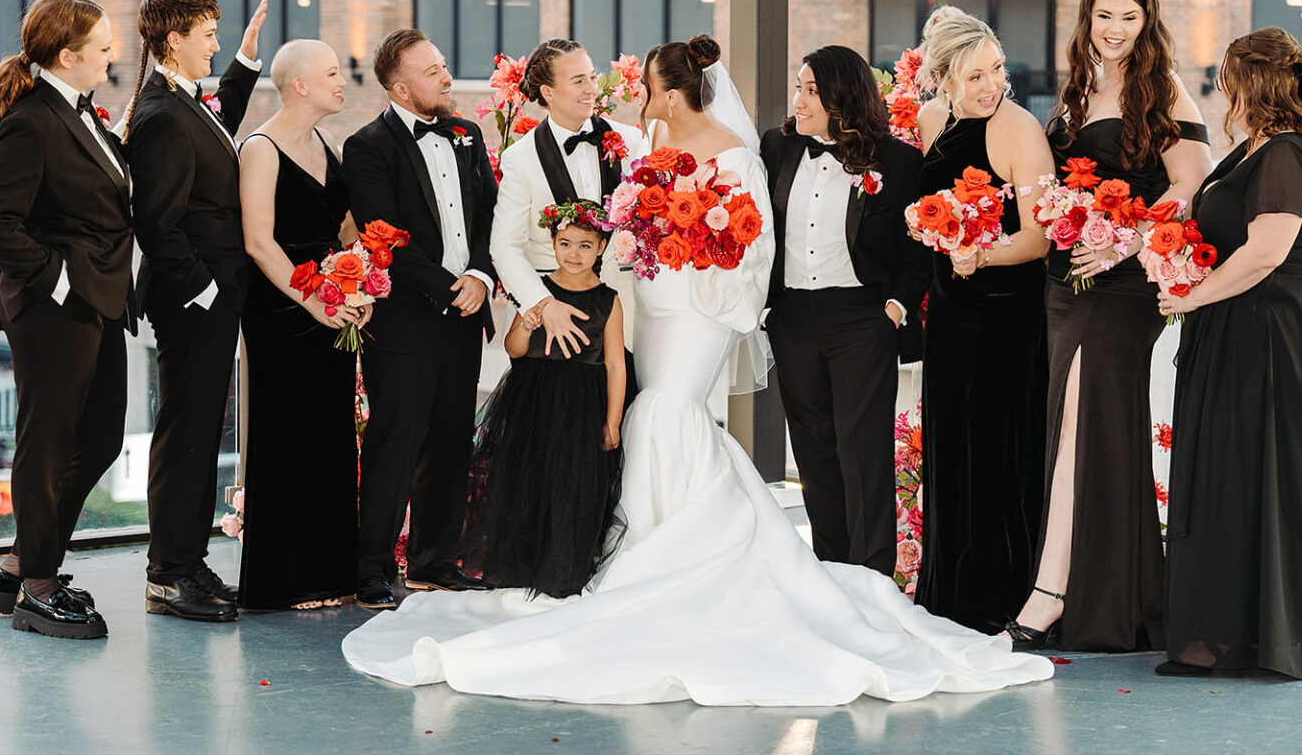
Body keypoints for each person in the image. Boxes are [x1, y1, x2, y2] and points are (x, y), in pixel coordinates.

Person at [340, 35, 1053, 706]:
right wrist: (635, 251)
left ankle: (691, 561)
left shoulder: (738, 152)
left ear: (672, 93)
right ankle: (650, 549)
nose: (627, 96)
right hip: (650, 306)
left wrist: (717, 278)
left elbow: (756, 244)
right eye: (584, 80)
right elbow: (610, 232)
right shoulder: (649, 143)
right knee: (670, 418)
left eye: (645, 88)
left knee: (673, 413)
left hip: (708, 308)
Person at [1155, 29, 1302, 679]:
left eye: (1226, 76)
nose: (1220, 87)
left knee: (1268, 474)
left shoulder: (1284, 154)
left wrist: (1190, 296)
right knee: (1239, 476)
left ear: (1247, 84)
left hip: (1274, 334)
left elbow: (1265, 253)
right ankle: (1239, 633)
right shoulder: (1257, 148)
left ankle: (1270, 638)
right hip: (1246, 328)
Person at [1005, 0, 1212, 652]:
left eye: (1129, 16)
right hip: (1066, 282)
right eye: (1104, 16)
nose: (1115, 29)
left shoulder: (1164, 89)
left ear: (1147, 21)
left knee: (1079, 422)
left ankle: (1050, 593)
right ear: (1087, 19)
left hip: (1123, 286)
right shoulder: (1078, 89)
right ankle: (1114, 596)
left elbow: (1190, 186)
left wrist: (1125, 239)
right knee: (1081, 425)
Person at [0, 0, 135, 639]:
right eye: (103, 48)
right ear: (68, 56)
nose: (112, 57)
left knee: (101, 438)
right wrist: (60, 279)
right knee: (48, 444)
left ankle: (20, 565)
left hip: (99, 299)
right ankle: (37, 588)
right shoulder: (32, 121)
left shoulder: (82, 112)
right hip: (52, 309)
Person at [124, 0, 269, 623]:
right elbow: (157, 225)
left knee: (202, 433)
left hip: (208, 297)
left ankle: (187, 560)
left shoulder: (184, 101)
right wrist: (206, 292)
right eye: (207, 35)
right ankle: (167, 576)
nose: (214, 44)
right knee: (186, 436)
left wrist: (244, 60)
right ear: (173, 39)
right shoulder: (159, 114)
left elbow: (216, 128)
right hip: (192, 301)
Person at [340, 28, 499, 611]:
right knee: (395, 444)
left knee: (453, 441)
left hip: (466, 314)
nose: (447, 77)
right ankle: (373, 569)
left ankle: (435, 561)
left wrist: (480, 276)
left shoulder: (468, 135)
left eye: (443, 65)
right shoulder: (367, 146)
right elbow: (383, 237)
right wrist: (449, 288)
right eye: (433, 71)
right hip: (406, 321)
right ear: (400, 87)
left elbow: (491, 217)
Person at [760, 44, 931, 578]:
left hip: (862, 318)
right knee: (813, 450)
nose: (798, 100)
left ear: (844, 97)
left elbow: (917, 249)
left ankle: (873, 577)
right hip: (793, 318)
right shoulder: (776, 148)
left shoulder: (898, 161)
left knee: (864, 450)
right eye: (798, 88)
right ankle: (830, 570)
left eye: (812, 91)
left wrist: (894, 310)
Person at [911, 7, 1055, 635]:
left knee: (997, 455)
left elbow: (1039, 240)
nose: (992, 85)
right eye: (975, 76)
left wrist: (981, 254)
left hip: (1007, 319)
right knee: (951, 448)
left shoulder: (1019, 129)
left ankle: (1001, 598)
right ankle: (948, 595)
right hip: (949, 315)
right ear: (943, 78)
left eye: (997, 69)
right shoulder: (930, 120)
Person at [235, 40, 364, 610]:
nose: (342, 82)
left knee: (329, 436)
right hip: (281, 309)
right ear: (300, 85)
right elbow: (258, 242)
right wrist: (315, 300)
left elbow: (344, 229)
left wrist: (361, 284)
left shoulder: (327, 141)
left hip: (331, 303)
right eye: (332, 74)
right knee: (285, 435)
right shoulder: (259, 148)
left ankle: (330, 573)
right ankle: (283, 581)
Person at [464, 199, 626, 598]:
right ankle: (517, 565)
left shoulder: (608, 300)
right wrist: (527, 322)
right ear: (552, 243)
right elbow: (515, 349)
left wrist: (613, 421)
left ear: (601, 248)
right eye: (565, 244)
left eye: (585, 245)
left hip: (583, 406)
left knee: (572, 485)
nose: (574, 253)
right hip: (533, 399)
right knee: (527, 481)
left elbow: (615, 364)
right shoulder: (537, 290)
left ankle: (562, 570)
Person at [490, 38, 646, 359]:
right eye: (578, 81)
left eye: (592, 77)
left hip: (626, 320)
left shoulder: (631, 141)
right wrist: (544, 305)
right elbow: (505, 247)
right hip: (551, 322)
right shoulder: (520, 158)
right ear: (548, 92)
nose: (591, 89)